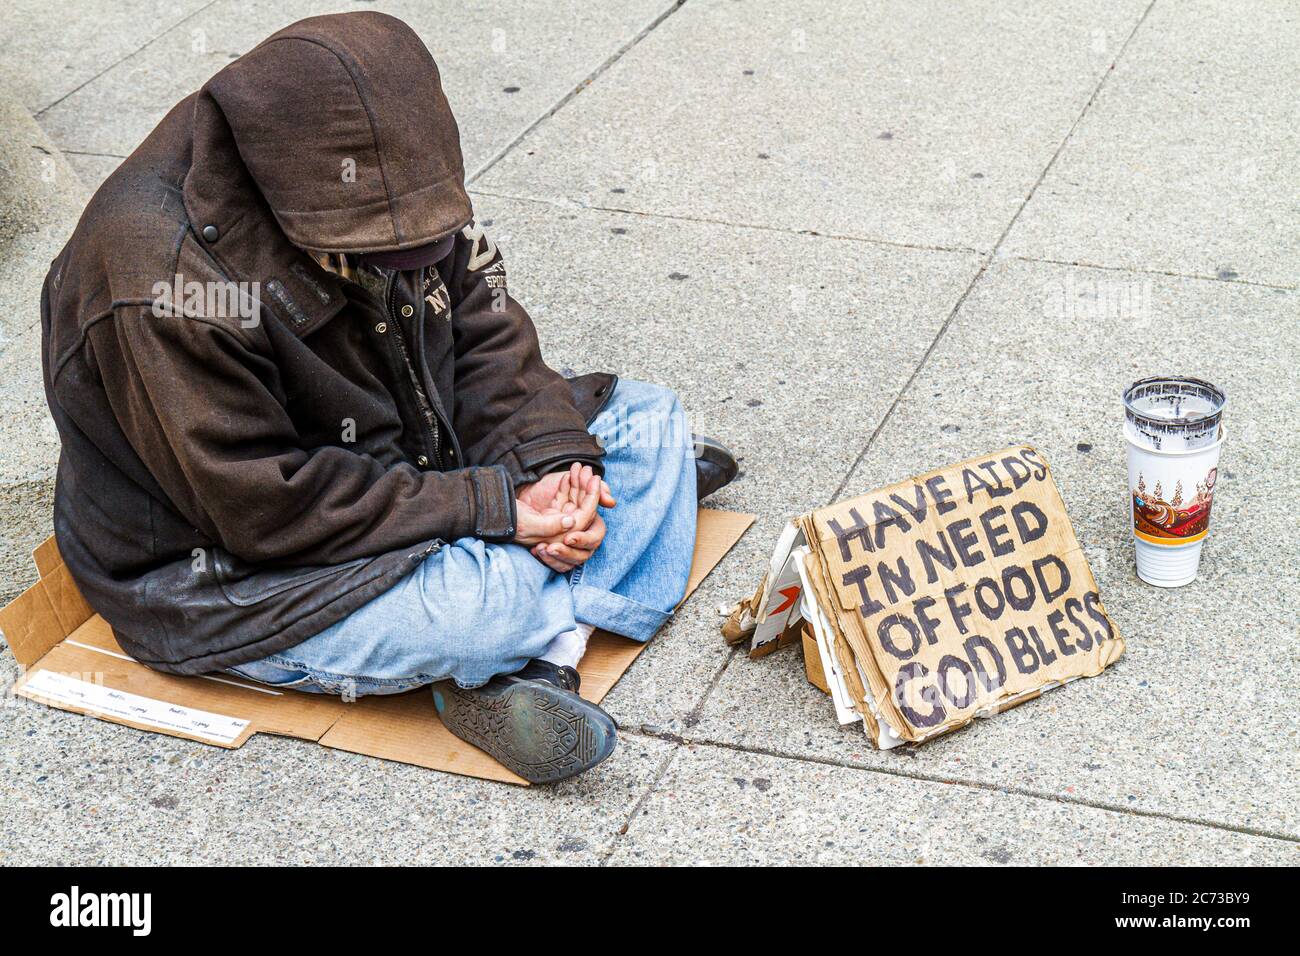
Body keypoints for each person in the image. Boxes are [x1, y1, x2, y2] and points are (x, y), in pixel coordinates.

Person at [39, 12, 737, 784]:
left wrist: (550, 464)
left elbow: (485, 330)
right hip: (240, 567)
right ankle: (559, 599)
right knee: (482, 614)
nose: (422, 258)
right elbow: (266, 508)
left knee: (652, 420)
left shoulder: (406, 177)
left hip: (412, 456)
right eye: (384, 250)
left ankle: (535, 659)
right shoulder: (164, 281)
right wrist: (496, 507)